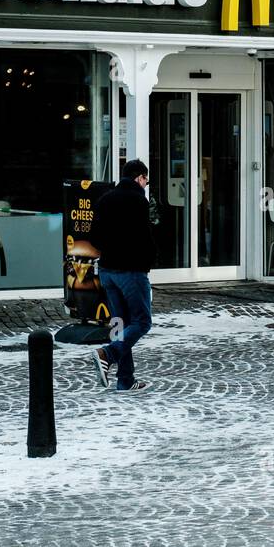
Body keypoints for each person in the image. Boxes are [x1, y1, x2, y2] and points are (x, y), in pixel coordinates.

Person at [89, 159, 154, 393]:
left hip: (108, 271)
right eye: (146, 179)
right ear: (138, 178)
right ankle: (107, 354)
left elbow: (94, 238)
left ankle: (125, 379)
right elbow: (146, 237)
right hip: (131, 271)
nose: (146, 184)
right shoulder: (139, 201)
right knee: (142, 321)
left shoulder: (105, 199)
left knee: (120, 324)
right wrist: (147, 262)